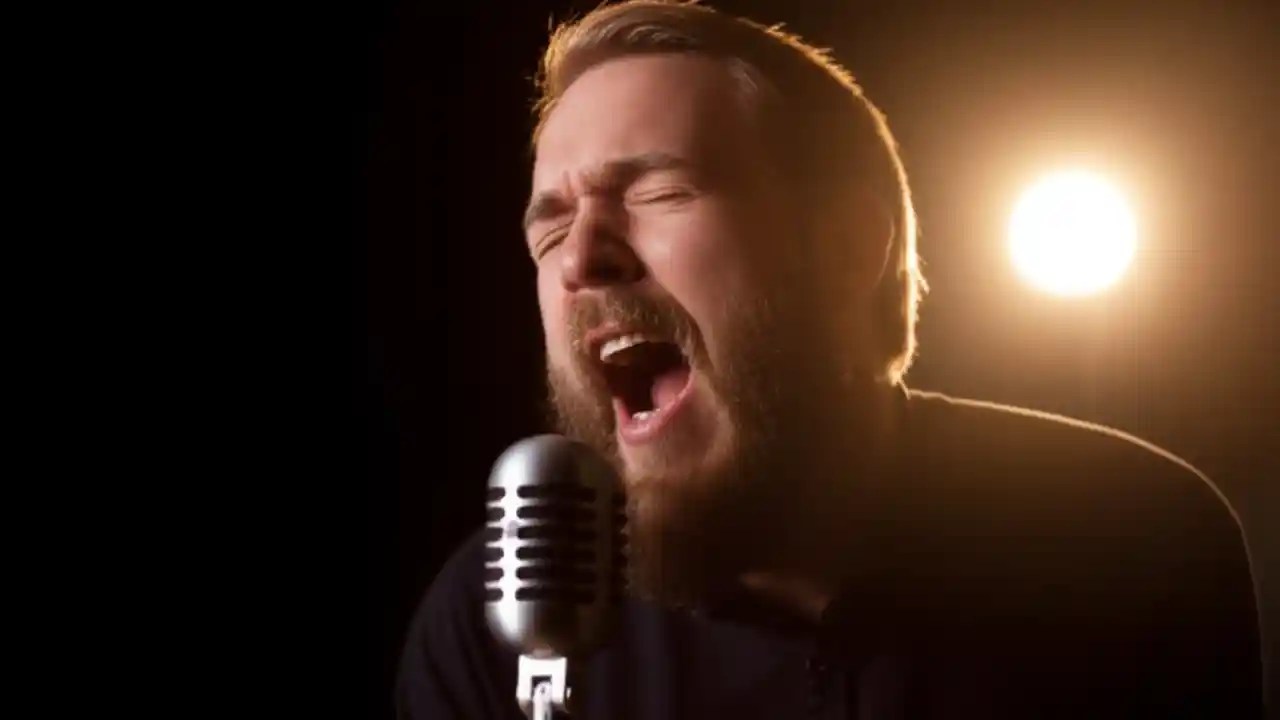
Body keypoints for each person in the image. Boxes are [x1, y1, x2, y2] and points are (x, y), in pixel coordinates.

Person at [395, 1, 1264, 717]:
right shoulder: (486, 626)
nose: (581, 258)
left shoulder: (1135, 539)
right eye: (547, 227)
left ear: (848, 250)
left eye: (660, 191)